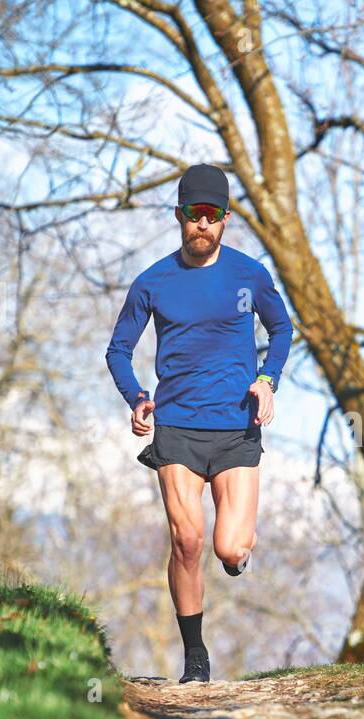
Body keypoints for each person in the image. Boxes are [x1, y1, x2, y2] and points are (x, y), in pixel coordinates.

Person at [105, 163, 291, 683]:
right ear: (180, 216)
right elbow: (118, 349)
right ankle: (195, 658)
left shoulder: (248, 276)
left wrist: (267, 380)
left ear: (226, 219)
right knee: (186, 540)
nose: (202, 224)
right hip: (178, 428)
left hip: (235, 428)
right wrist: (138, 397)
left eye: (212, 215)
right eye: (193, 214)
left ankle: (236, 558)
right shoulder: (153, 282)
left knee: (229, 547)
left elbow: (282, 330)